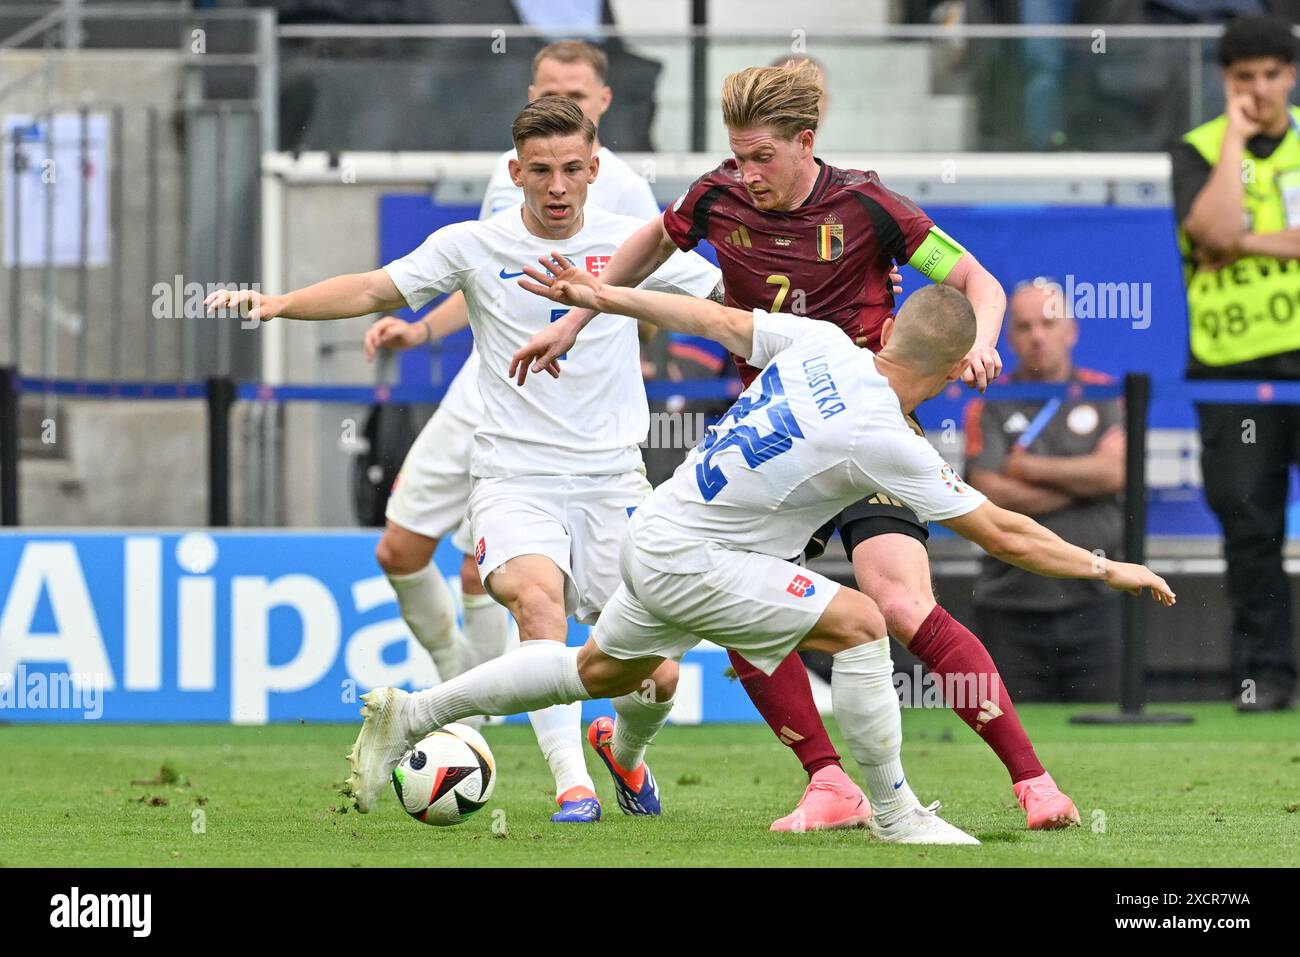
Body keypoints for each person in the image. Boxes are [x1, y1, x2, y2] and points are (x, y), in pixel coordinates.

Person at [341, 262, 1175, 840]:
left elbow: (716, 319)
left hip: (660, 525)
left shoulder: (824, 346)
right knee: (859, 622)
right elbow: (1002, 531)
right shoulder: (887, 438)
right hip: (695, 557)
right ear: (956, 370)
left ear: (889, 332)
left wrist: (604, 295)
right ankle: (894, 811)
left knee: (592, 672)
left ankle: (412, 712)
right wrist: (1108, 565)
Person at [514, 61, 1082, 835]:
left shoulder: (867, 204)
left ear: (804, 143)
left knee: (903, 603)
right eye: (737, 156)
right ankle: (829, 780)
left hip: (873, 431)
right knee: (749, 609)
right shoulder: (715, 195)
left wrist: (982, 341)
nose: (744, 175)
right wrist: (576, 318)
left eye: (760, 159)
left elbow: (978, 279)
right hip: (775, 439)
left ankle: (1033, 780)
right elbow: (652, 241)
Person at [207, 96, 721, 822]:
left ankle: (625, 752)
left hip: (614, 481)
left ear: (594, 168)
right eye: (540, 169)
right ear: (515, 171)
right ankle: (571, 785)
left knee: (655, 674)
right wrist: (278, 302)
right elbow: (372, 287)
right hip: (515, 477)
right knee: (537, 604)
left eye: (572, 169)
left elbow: (733, 298)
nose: (556, 185)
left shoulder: (632, 244)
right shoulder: (474, 245)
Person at [357, 39, 663, 714]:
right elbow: (478, 277)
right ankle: (464, 682)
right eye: (548, 90)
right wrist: (420, 329)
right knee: (400, 548)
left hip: (572, 426)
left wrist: (619, 331)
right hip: (486, 391)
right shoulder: (519, 173)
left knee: (499, 575)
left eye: (578, 96)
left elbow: (667, 290)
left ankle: (482, 711)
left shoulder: (627, 198)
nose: (556, 184)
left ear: (602, 106)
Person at [1172, 14, 1300, 712]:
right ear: (1226, 80)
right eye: (1243, 77)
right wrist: (1237, 146)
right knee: (1251, 533)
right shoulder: (1198, 149)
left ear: (1291, 73)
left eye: (1271, 74)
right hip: (1232, 372)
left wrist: (1245, 243)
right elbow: (1214, 230)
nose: (1258, 88)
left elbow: (1227, 241)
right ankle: (1266, 677)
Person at [963, 279, 1125, 701]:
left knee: (1108, 740)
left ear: (1071, 330)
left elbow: (1115, 474)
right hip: (1011, 604)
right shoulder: (990, 401)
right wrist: (1081, 485)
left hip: (1098, 600)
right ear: (1008, 336)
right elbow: (987, 493)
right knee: (1018, 741)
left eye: (1048, 324)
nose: (1037, 336)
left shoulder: (1107, 394)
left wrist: (1028, 468)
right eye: (1023, 326)